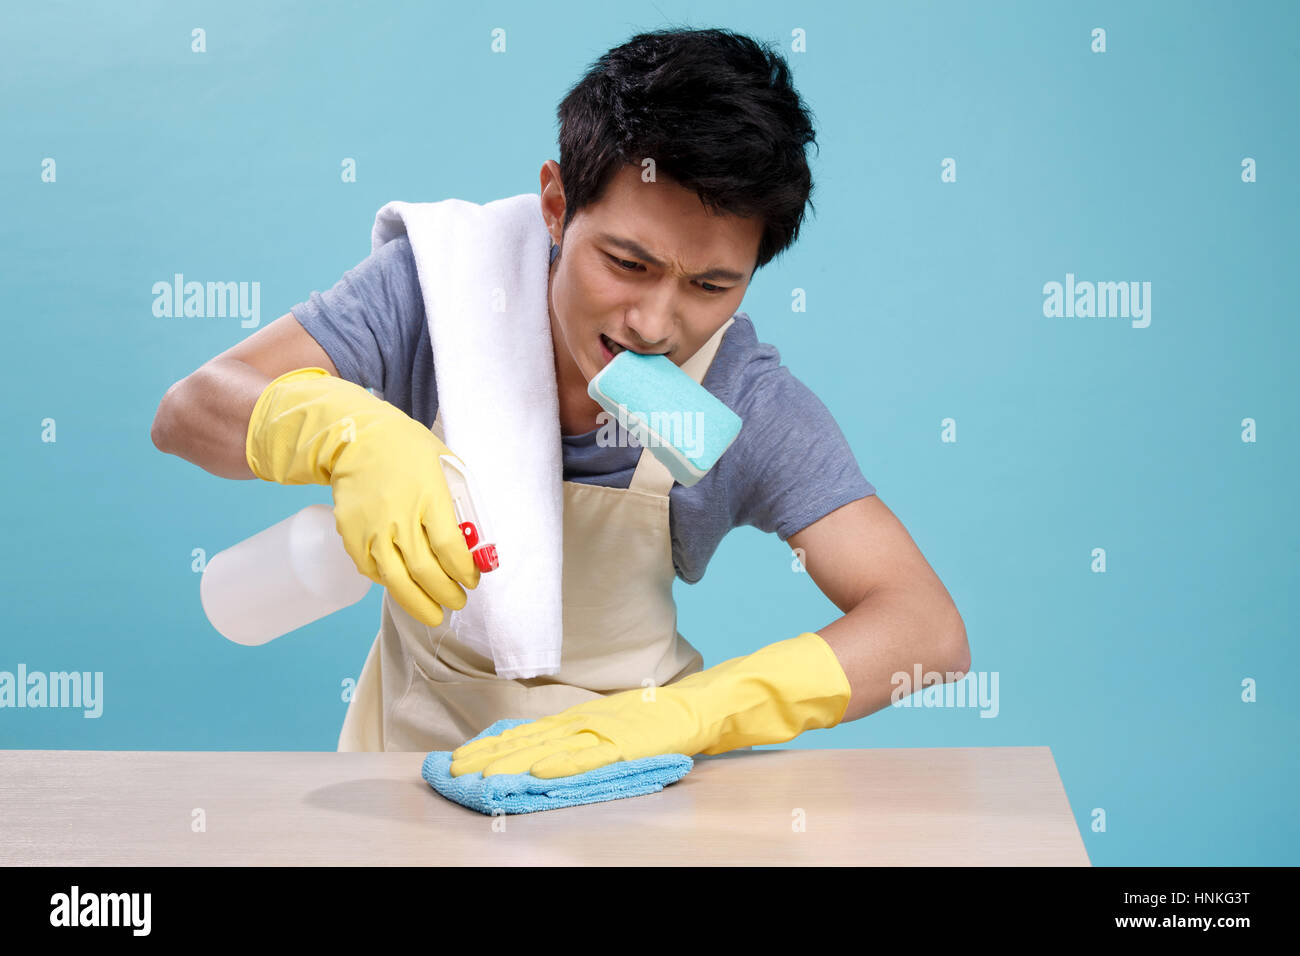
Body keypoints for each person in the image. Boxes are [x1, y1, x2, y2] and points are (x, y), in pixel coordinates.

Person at [151, 27, 968, 777]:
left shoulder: (734, 396)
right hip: (406, 782)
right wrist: (349, 433)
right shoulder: (448, 295)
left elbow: (927, 630)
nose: (654, 325)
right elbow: (189, 411)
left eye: (711, 284)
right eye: (627, 263)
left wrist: (694, 715)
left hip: (631, 788)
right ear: (555, 206)